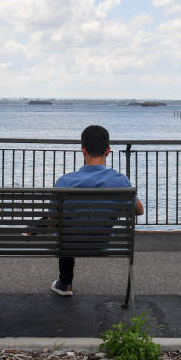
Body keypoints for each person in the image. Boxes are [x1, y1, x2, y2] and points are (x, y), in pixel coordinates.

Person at [50, 125, 144, 297]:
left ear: (83, 150)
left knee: (65, 231)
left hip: (69, 244)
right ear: (108, 151)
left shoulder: (65, 181)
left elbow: (52, 218)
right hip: (103, 243)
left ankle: (65, 284)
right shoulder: (120, 181)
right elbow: (139, 210)